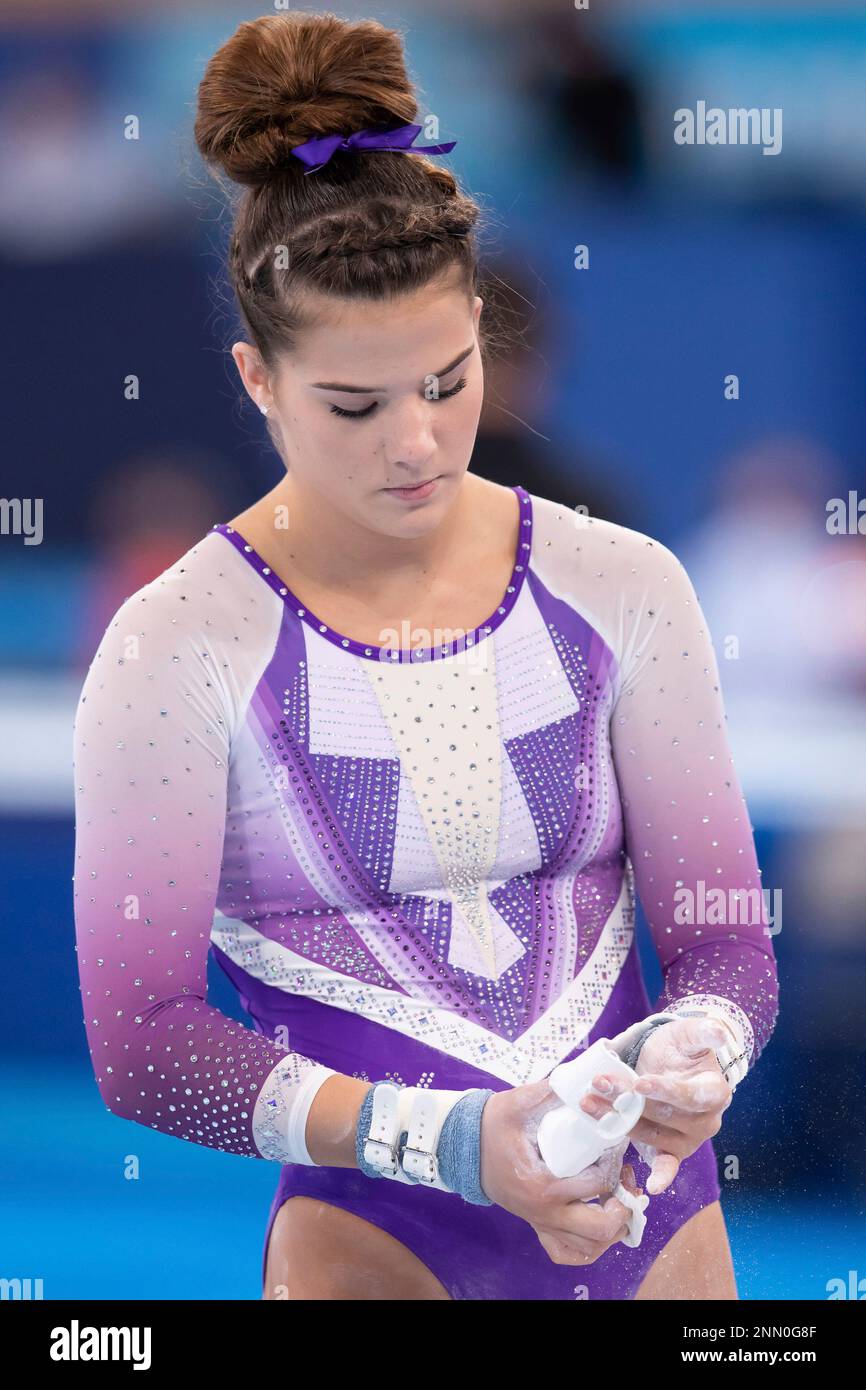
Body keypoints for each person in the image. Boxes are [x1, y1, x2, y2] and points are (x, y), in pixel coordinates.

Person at [72, 11, 778, 1301]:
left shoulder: (624, 586)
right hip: (380, 1239)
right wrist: (452, 1144)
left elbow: (729, 943)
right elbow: (141, 1044)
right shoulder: (172, 650)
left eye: (449, 383)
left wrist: (695, 1056)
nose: (417, 443)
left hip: (651, 1218)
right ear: (256, 380)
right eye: (355, 405)